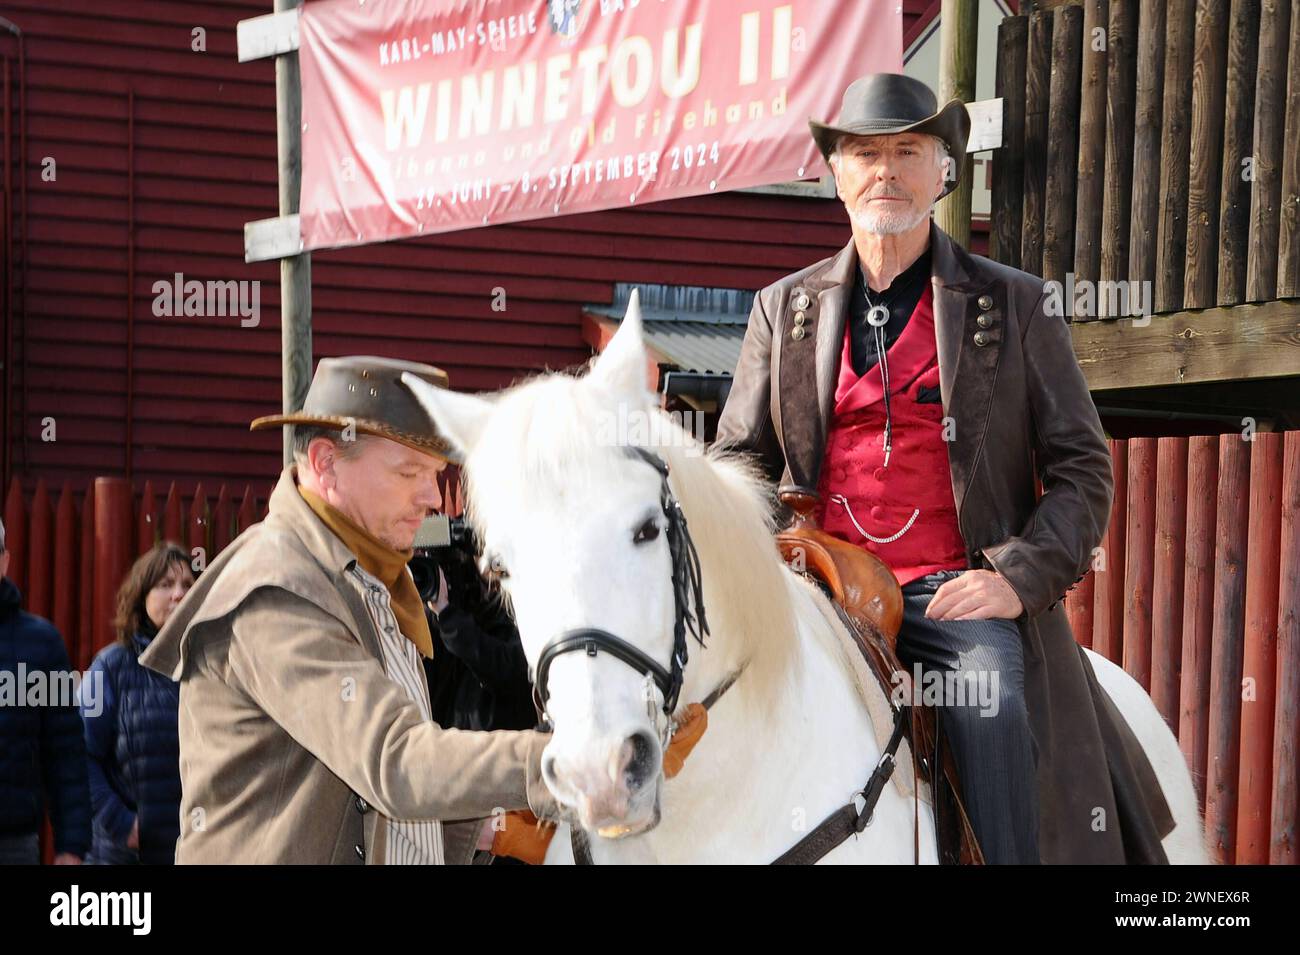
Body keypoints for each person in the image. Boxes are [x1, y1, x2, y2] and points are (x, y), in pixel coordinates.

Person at [717, 73, 1174, 864]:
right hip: (815, 590)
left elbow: (1083, 469)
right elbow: (734, 464)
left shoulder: (1019, 305)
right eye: (864, 153)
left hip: (946, 594)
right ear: (835, 174)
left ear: (944, 172)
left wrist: (1015, 577)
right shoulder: (778, 309)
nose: (884, 171)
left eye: (907, 152)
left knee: (991, 700)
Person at [139, 356, 557, 864]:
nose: (432, 497)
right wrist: (565, 764)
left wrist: (485, 828)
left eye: (437, 473)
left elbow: (383, 809)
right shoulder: (274, 588)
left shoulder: (376, 582)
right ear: (325, 463)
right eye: (410, 471)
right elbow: (393, 761)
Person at [82, 542, 192, 864]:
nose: (179, 594)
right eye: (165, 584)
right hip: (124, 857)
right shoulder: (112, 666)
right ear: (142, 597)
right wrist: (123, 824)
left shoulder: (212, 667)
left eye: (187, 584)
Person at [0, 516, 90, 865]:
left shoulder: (42, 644)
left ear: (5, 561)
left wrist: (71, 847)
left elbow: (65, 751)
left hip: (13, 845)